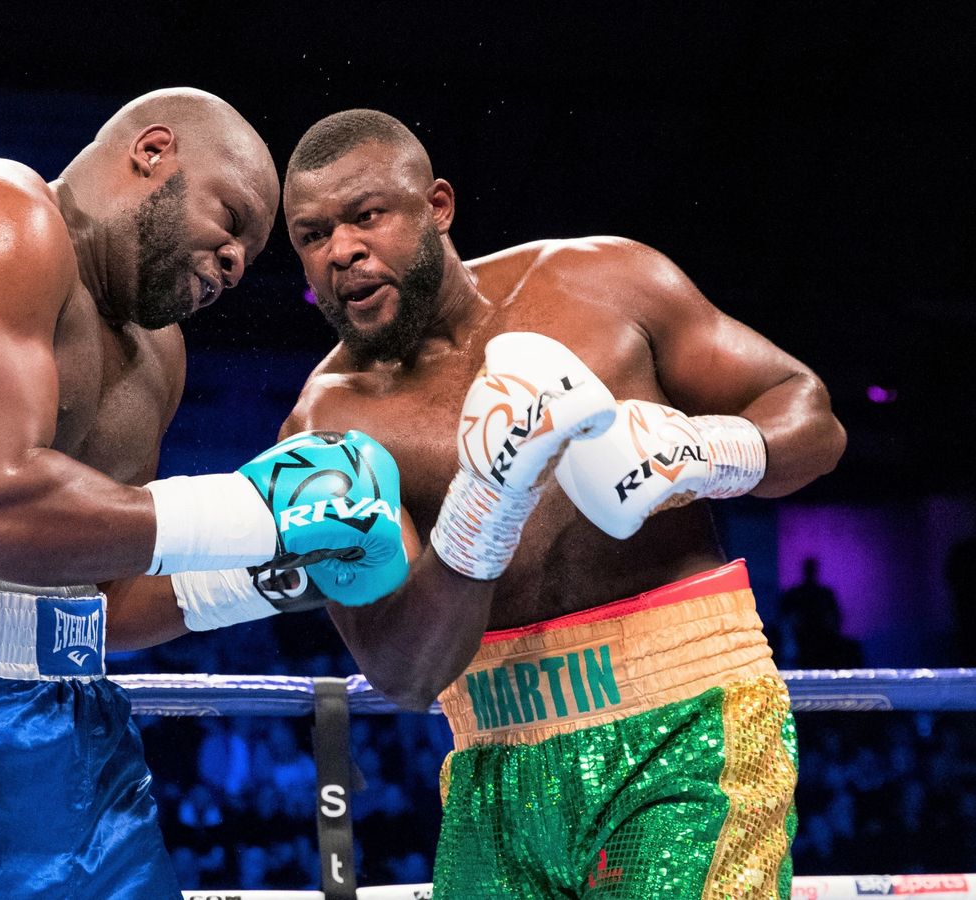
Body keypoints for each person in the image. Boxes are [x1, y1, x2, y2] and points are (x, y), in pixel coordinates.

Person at [0, 88, 409, 900]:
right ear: (153, 153)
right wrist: (262, 514)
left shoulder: (157, 355)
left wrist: (284, 572)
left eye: (252, 250)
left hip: (75, 718)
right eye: (232, 219)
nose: (239, 262)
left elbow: (107, 594)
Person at [277, 110, 846, 899]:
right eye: (311, 235)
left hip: (686, 732)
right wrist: (484, 506)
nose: (341, 250)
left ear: (436, 206)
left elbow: (809, 414)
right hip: (493, 767)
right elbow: (402, 673)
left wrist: (703, 452)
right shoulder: (325, 430)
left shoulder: (604, 281)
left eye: (366, 215)